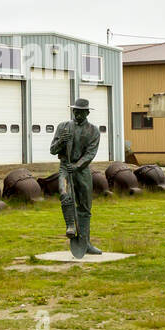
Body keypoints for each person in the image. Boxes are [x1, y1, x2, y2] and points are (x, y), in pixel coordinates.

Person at [50, 98, 102, 255]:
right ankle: (71, 226)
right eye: (76, 111)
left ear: (87, 112)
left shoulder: (94, 130)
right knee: (65, 195)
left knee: (85, 207)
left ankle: (85, 243)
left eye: (81, 112)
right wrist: (61, 141)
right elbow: (52, 150)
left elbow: (90, 153)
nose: (78, 114)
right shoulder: (63, 127)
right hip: (65, 167)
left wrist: (77, 166)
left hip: (82, 171)